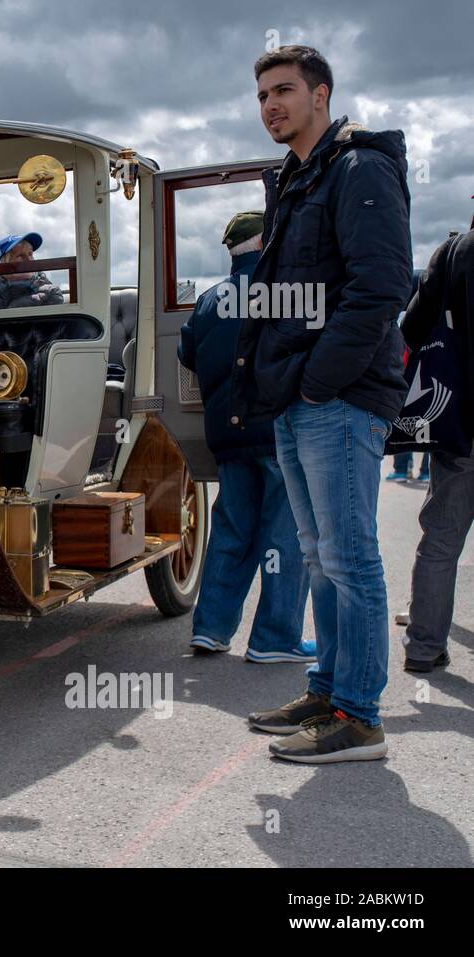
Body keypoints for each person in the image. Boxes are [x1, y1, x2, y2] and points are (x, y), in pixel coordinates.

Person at [232, 46, 413, 763]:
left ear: (321, 94)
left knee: (349, 557)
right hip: (297, 399)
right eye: (263, 96)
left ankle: (360, 717)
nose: (271, 105)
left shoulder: (360, 169)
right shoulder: (297, 180)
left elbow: (381, 288)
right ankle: (330, 689)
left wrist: (316, 381)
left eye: (284, 91)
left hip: (336, 398)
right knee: (317, 557)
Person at [179, 211, 313, 662]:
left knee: (231, 530)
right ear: (265, 242)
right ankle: (275, 639)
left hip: (227, 435)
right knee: (285, 534)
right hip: (277, 431)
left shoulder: (208, 300)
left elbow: (187, 353)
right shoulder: (285, 293)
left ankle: (211, 628)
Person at [397, 222, 474, 672]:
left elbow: (410, 328)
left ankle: (424, 648)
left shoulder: (451, 253)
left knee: (441, 542)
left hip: (458, 426)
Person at [0, 233, 64, 310]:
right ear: (3, 263)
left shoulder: (49, 292)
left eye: (30, 254)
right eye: (20, 256)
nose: (29, 260)